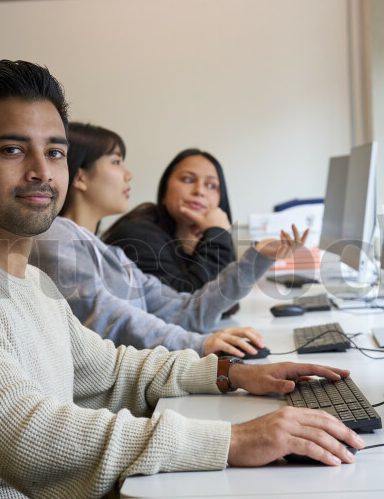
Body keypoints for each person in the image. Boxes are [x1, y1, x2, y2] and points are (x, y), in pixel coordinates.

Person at [0, 60, 364, 499]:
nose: (41, 171)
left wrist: (233, 375)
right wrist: (231, 440)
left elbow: (114, 370)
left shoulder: (26, 279)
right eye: (12, 149)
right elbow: (34, 440)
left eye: (55, 152)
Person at [31, 122, 308, 358]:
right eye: (116, 162)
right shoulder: (54, 236)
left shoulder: (113, 256)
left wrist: (257, 257)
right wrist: (199, 344)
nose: (129, 174)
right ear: (79, 176)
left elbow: (186, 310)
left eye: (211, 186)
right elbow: (104, 316)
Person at [101, 148, 236, 293]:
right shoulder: (139, 232)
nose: (200, 191)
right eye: (188, 179)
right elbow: (191, 305)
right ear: (164, 192)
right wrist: (218, 236)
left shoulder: (204, 240)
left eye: (211, 186)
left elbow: (230, 303)